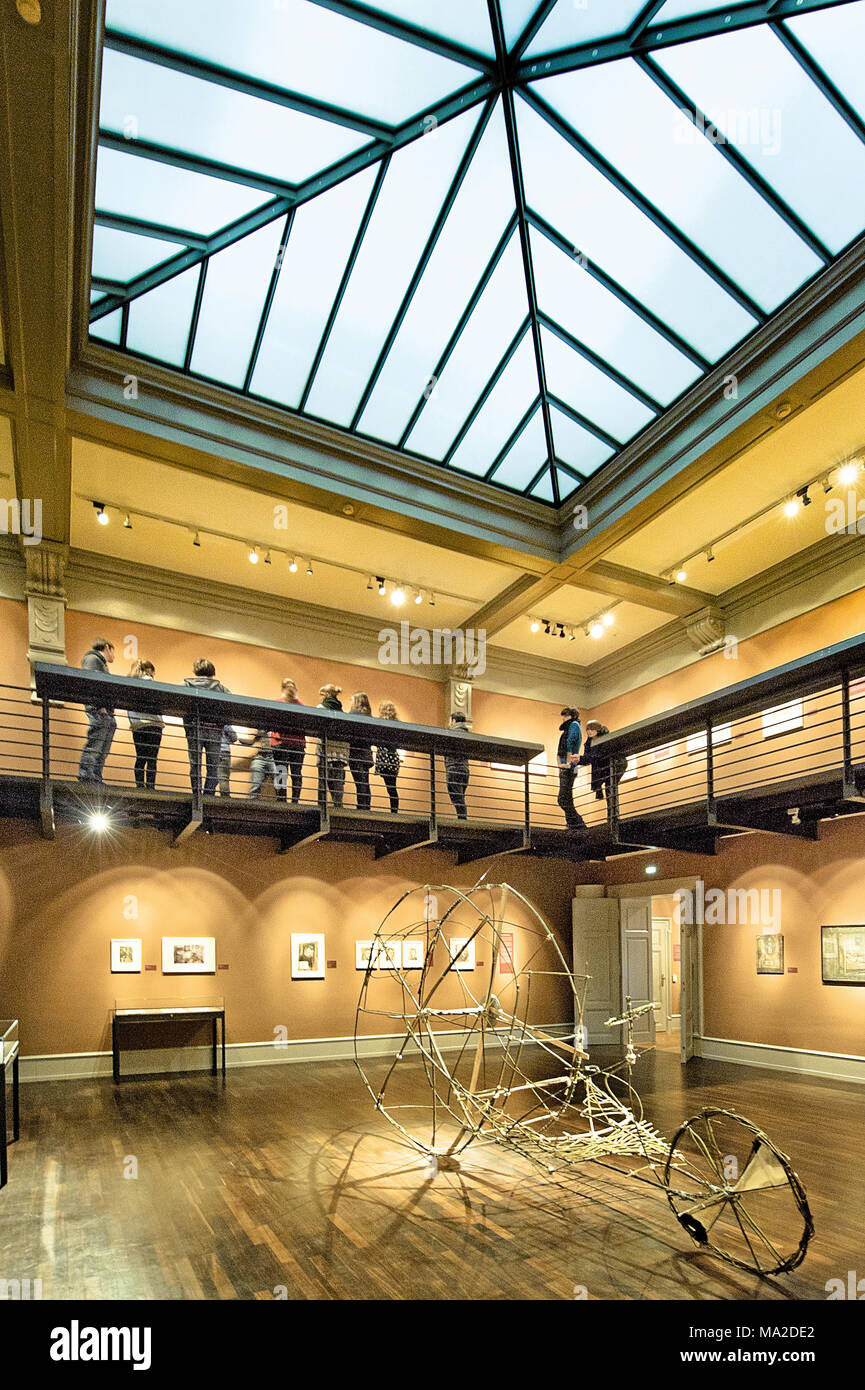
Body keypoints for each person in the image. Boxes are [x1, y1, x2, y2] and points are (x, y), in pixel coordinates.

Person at [183, 659, 231, 796]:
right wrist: (221, 724)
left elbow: (180, 705)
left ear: (196, 671)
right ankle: (208, 795)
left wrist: (188, 727)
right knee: (213, 768)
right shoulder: (221, 689)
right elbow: (231, 707)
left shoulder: (186, 685)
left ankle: (196, 795)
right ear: (212, 672)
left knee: (195, 766)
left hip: (195, 728)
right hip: (215, 730)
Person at [78, 637, 116, 784]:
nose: (114, 656)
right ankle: (87, 775)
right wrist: (101, 706)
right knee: (96, 744)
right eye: (113, 651)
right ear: (107, 647)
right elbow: (93, 685)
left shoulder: (99, 662)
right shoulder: (93, 660)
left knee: (102, 746)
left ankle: (95, 775)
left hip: (104, 710)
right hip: (99, 710)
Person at [126, 660, 163, 790]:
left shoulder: (130, 684)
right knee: (152, 759)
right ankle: (151, 787)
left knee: (140, 757)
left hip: (137, 726)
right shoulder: (150, 682)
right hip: (153, 724)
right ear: (150, 670)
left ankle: (140, 786)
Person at [270, 678, 305, 803]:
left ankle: (281, 800)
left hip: (280, 742)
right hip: (297, 743)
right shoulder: (302, 706)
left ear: (282, 689)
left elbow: (271, 723)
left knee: (281, 771)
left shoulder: (276, 704)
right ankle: (295, 801)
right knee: (296, 773)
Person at [580, 720, 629, 806]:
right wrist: (578, 759)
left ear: (597, 730)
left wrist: (581, 759)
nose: (589, 731)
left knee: (610, 788)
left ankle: (613, 816)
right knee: (610, 789)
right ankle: (612, 816)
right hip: (606, 767)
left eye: (592, 729)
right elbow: (589, 758)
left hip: (615, 765)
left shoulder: (604, 739)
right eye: (588, 729)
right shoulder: (589, 743)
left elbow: (598, 755)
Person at [317, 684, 349, 807]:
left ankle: (322, 808)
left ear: (325, 695)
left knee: (323, 783)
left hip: (326, 750)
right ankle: (338, 807)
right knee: (338, 784)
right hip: (340, 752)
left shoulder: (320, 708)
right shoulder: (342, 711)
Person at [556, 706, 586, 830]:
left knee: (563, 799)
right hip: (567, 766)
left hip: (569, 766)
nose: (563, 718)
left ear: (571, 716)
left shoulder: (573, 725)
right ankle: (573, 824)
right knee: (566, 798)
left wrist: (566, 763)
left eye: (565, 715)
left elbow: (570, 743)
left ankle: (578, 824)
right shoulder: (568, 728)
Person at [348, 692, 374, 811]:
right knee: (365, 781)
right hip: (366, 754)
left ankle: (361, 807)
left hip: (356, 753)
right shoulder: (369, 717)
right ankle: (366, 806)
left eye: (352, 700)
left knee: (360, 782)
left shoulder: (353, 715)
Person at [374, 701, 401, 813]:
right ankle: (394, 810)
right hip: (393, 757)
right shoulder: (396, 724)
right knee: (392, 786)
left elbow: (377, 740)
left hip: (385, 757)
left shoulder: (381, 724)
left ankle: (394, 811)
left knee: (390, 787)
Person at [444, 711, 471, 820]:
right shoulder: (468, 735)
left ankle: (462, 820)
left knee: (457, 798)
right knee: (460, 797)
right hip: (465, 769)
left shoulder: (450, 734)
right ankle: (462, 818)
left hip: (453, 768)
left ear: (453, 721)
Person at [241, 728, 279, 799]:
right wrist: (239, 739)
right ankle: (251, 801)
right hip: (260, 756)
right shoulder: (262, 730)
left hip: (273, 757)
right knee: (255, 783)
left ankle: (281, 801)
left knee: (279, 782)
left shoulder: (276, 731)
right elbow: (252, 742)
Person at [218, 725, 237, 798]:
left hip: (215, 750)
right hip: (225, 751)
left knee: (214, 774)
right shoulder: (225, 724)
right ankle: (225, 797)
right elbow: (234, 737)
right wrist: (227, 741)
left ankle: (209, 794)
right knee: (224, 776)